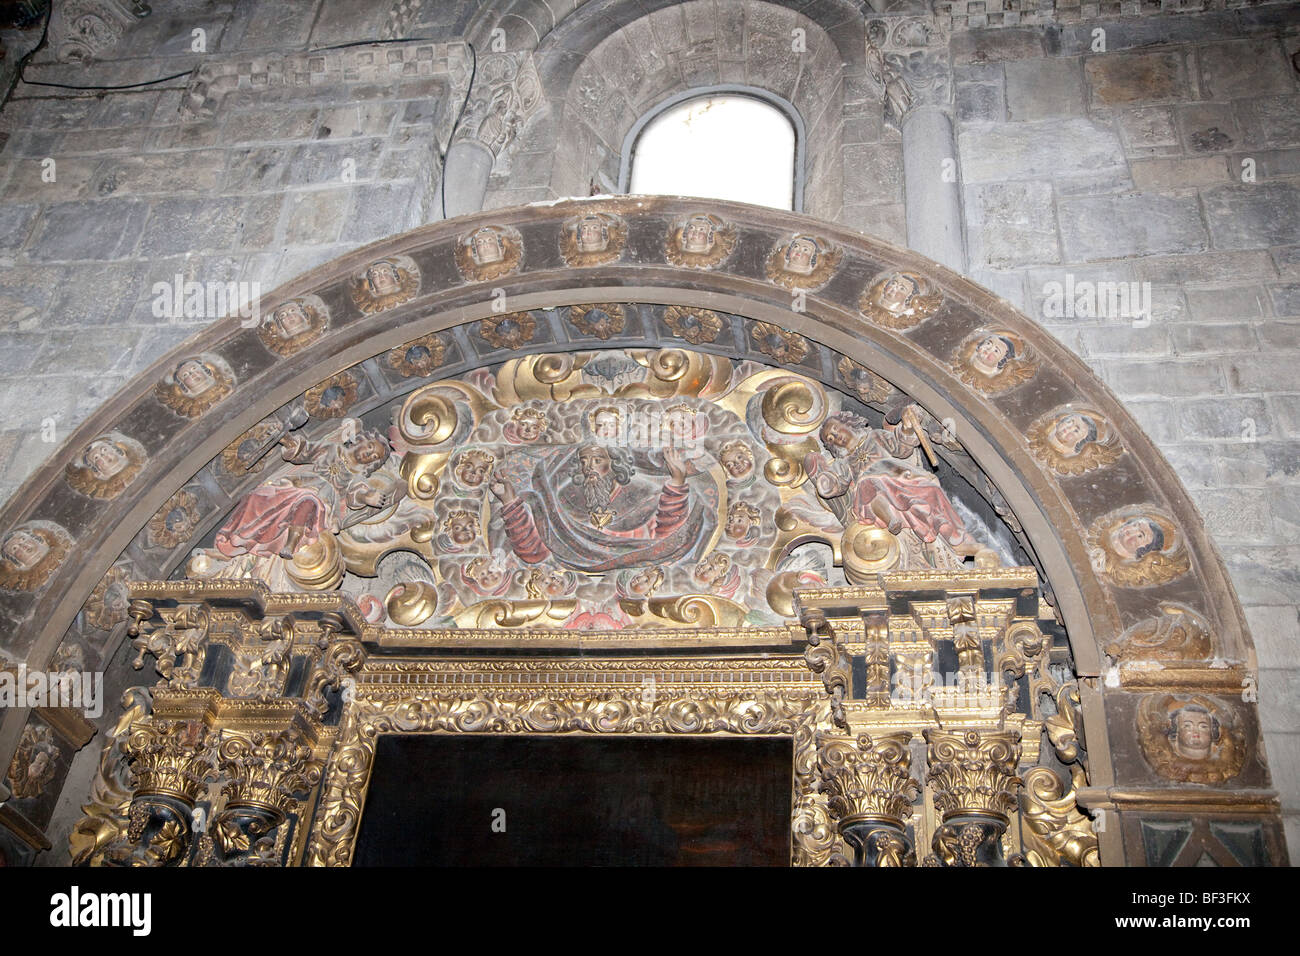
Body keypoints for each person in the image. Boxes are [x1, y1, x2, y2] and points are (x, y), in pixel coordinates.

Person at [490, 443, 714, 572]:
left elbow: (666, 539)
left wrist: (677, 481)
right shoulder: (565, 506)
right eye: (583, 462)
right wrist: (510, 502)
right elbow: (535, 554)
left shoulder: (644, 496)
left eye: (597, 460)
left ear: (615, 463)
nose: (589, 467)